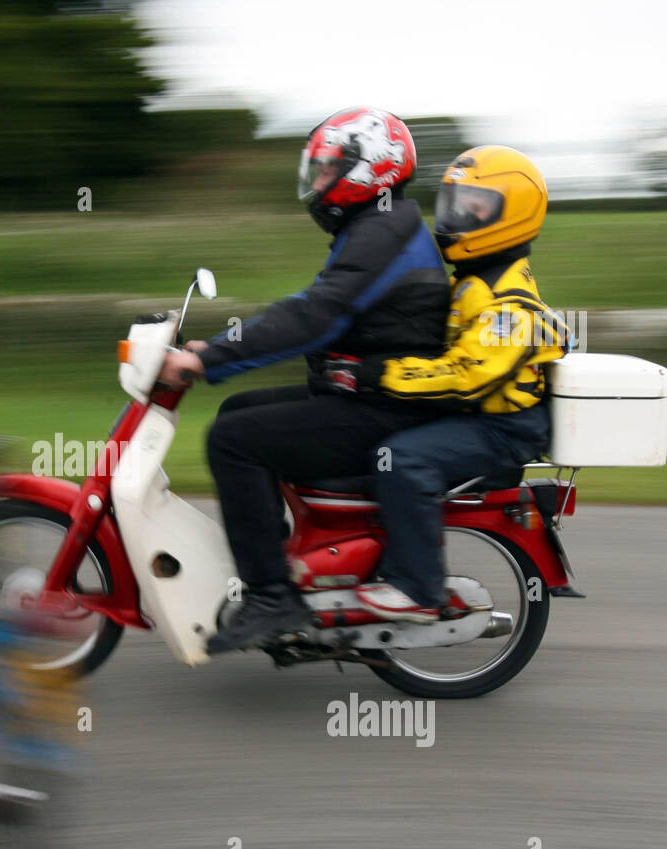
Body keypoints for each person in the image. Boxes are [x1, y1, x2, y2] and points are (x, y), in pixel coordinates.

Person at [157, 106, 453, 653]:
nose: (317, 182)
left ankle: (273, 597)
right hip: (372, 394)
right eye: (316, 170)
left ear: (370, 169)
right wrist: (215, 351)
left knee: (234, 441)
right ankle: (287, 559)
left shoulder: (383, 231)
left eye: (328, 168)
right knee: (237, 414)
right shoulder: (382, 227)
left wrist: (209, 359)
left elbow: (315, 317)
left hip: (388, 406)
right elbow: (312, 311)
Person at [345, 146, 569, 622]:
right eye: (454, 202)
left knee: (404, 460)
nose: (458, 215)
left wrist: (379, 376)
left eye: (476, 205)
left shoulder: (510, 306)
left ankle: (419, 588)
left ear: (515, 213)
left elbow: (467, 375)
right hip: (479, 416)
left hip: (505, 429)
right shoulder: (473, 280)